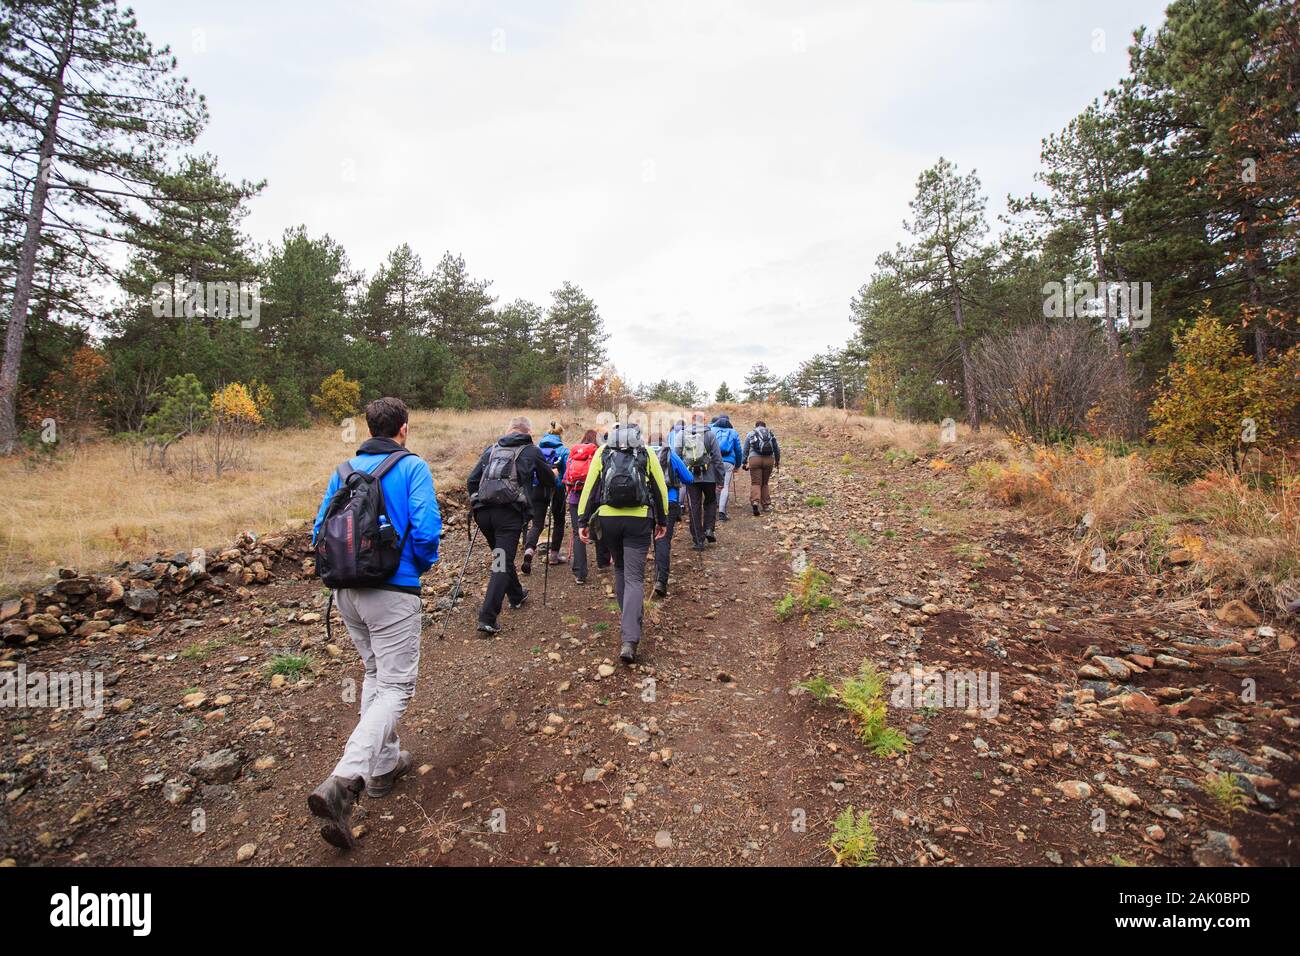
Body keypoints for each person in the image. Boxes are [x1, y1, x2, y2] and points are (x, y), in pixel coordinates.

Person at [307, 397, 441, 850]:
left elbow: (317, 533)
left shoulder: (344, 470)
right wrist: (415, 568)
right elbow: (425, 531)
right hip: (393, 591)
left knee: (374, 674)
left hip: (345, 592)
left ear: (369, 427)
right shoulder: (411, 467)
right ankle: (345, 779)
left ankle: (383, 767)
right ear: (403, 428)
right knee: (398, 687)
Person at [577, 422, 669, 664]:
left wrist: (582, 521)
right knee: (635, 578)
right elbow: (659, 488)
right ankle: (630, 638)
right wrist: (663, 519)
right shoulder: (646, 451)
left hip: (608, 519)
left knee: (619, 568)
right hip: (638, 519)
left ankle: (628, 621)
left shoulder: (603, 451)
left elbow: (590, 488)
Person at [465, 415, 557, 635]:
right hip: (509, 514)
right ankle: (487, 617)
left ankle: (516, 594)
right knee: (501, 561)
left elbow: (471, 480)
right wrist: (553, 474)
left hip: (483, 513)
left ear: (509, 430)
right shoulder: (531, 450)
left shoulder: (492, 449)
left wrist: (478, 500)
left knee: (501, 556)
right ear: (528, 433)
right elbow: (548, 481)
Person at [648, 432, 692, 597]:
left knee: (649, 538)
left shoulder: (643, 454)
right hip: (669, 501)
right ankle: (661, 580)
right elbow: (688, 478)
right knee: (663, 540)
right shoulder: (671, 454)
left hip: (648, 503)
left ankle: (641, 577)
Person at [522, 421, 568, 574]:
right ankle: (554, 556)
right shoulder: (563, 450)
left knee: (537, 524)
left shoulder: (537, 449)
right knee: (559, 521)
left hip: (537, 489)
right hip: (557, 489)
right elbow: (567, 473)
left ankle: (529, 550)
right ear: (560, 434)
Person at [674, 411, 724, 549]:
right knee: (710, 502)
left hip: (690, 477)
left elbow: (676, 457)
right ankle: (709, 529)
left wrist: (679, 477)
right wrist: (720, 480)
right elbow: (718, 459)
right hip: (709, 476)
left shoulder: (682, 434)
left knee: (694, 506)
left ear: (692, 419)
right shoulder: (710, 434)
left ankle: (698, 540)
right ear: (705, 420)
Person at [565, 428, 598, 584]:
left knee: (578, 532)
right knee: (599, 528)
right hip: (595, 499)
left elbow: (566, 480)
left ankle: (580, 573)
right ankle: (603, 561)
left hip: (575, 499)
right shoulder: (599, 453)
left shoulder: (574, 453)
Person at [743, 419, 781, 515]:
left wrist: (744, 462)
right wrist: (777, 461)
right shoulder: (770, 434)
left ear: (756, 426)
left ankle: (755, 501)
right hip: (769, 460)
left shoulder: (751, 433)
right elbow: (776, 448)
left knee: (756, 482)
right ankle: (766, 505)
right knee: (765, 483)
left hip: (754, 459)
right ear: (765, 426)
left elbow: (746, 448)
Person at [710, 413, 743, 521]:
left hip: (714, 461)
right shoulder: (733, 432)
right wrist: (737, 465)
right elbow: (738, 450)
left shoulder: (711, 430)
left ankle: (713, 507)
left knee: (714, 484)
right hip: (728, 462)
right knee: (725, 486)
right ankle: (722, 513)